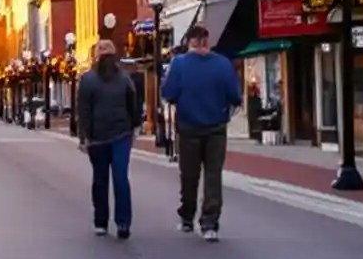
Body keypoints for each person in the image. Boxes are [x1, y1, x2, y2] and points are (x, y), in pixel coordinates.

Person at [160, 25, 241, 242]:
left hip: (188, 126)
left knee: (189, 173)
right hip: (216, 127)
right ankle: (210, 222)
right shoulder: (223, 64)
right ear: (206, 40)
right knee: (213, 174)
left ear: (191, 42)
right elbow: (235, 95)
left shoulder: (179, 64)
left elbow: (168, 93)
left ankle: (187, 215)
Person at [77, 39, 142, 239]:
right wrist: (135, 126)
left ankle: (101, 222)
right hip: (121, 135)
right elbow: (133, 103)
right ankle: (123, 222)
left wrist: (83, 137)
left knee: (101, 179)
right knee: (120, 177)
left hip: (99, 137)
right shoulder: (124, 78)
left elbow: (83, 111)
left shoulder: (87, 79)